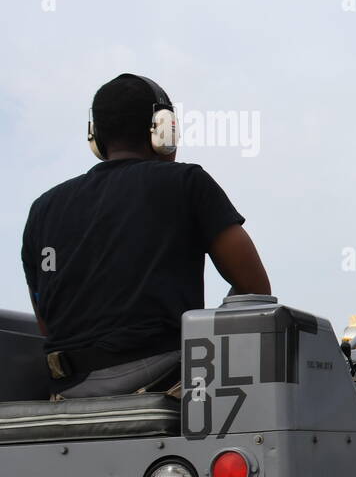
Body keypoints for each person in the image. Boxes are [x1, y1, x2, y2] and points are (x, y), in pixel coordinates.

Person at [21, 73, 271, 399]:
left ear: (95, 137)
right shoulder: (187, 183)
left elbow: (47, 326)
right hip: (163, 374)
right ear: (163, 129)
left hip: (69, 389)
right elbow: (255, 290)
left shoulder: (42, 209)